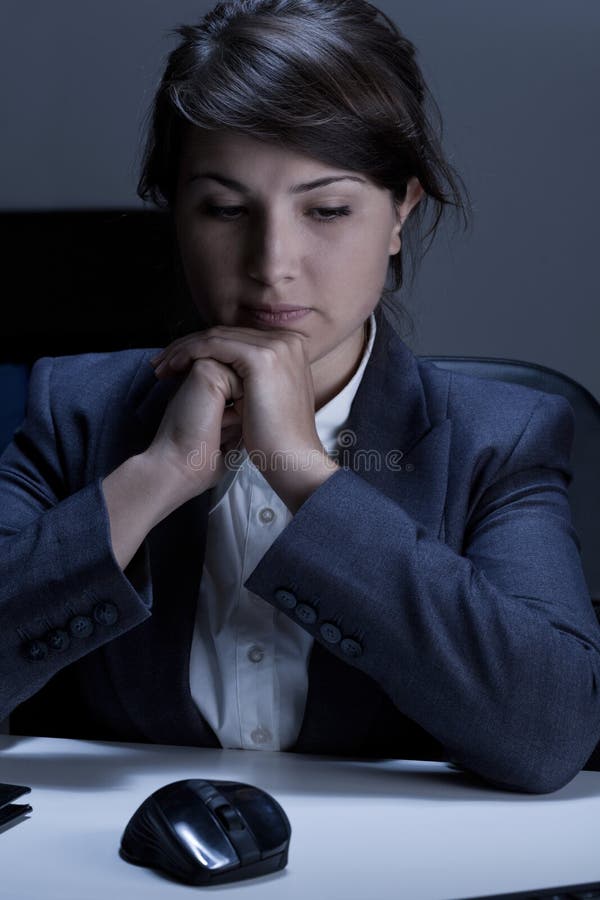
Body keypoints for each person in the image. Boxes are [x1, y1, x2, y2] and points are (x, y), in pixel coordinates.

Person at [1, 0, 599, 795]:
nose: (273, 262)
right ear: (174, 212)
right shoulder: (73, 408)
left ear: (400, 214)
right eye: (223, 208)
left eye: (326, 209)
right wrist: (157, 476)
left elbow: (551, 731)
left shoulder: (502, 435)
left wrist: (304, 476)